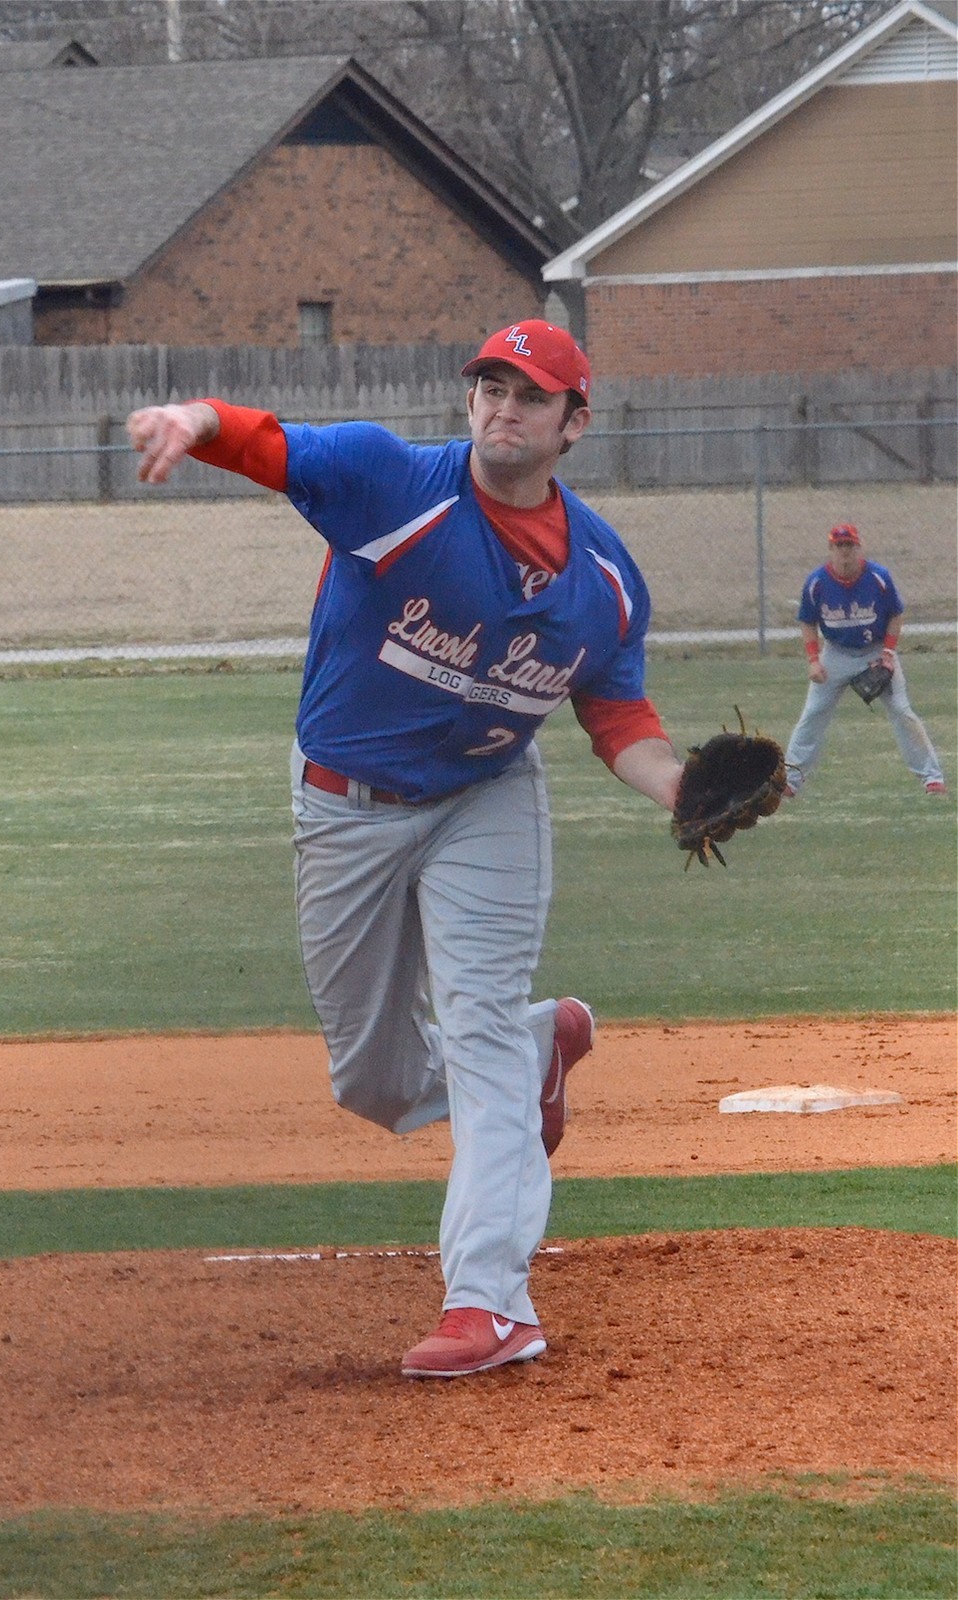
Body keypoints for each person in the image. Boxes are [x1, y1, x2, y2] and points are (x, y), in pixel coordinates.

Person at [127, 320, 685, 1379]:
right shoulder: (396, 483)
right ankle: (538, 1051)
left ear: (575, 422)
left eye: (530, 394)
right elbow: (271, 446)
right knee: (374, 1078)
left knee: (472, 1028)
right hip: (346, 807)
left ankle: (491, 1302)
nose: (502, 407)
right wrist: (190, 419)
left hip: (487, 799)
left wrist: (680, 786)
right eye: (489, 385)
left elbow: (618, 716)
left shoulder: (606, 578)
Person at [784, 523, 946, 798]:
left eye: (850, 545)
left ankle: (932, 778)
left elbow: (896, 615)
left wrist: (888, 654)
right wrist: (813, 660)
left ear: (859, 548)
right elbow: (807, 622)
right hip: (835, 653)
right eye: (839, 546)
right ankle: (789, 781)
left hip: (875, 650)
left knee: (901, 710)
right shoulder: (817, 583)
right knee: (813, 713)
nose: (845, 551)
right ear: (831, 549)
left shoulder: (878, 577)